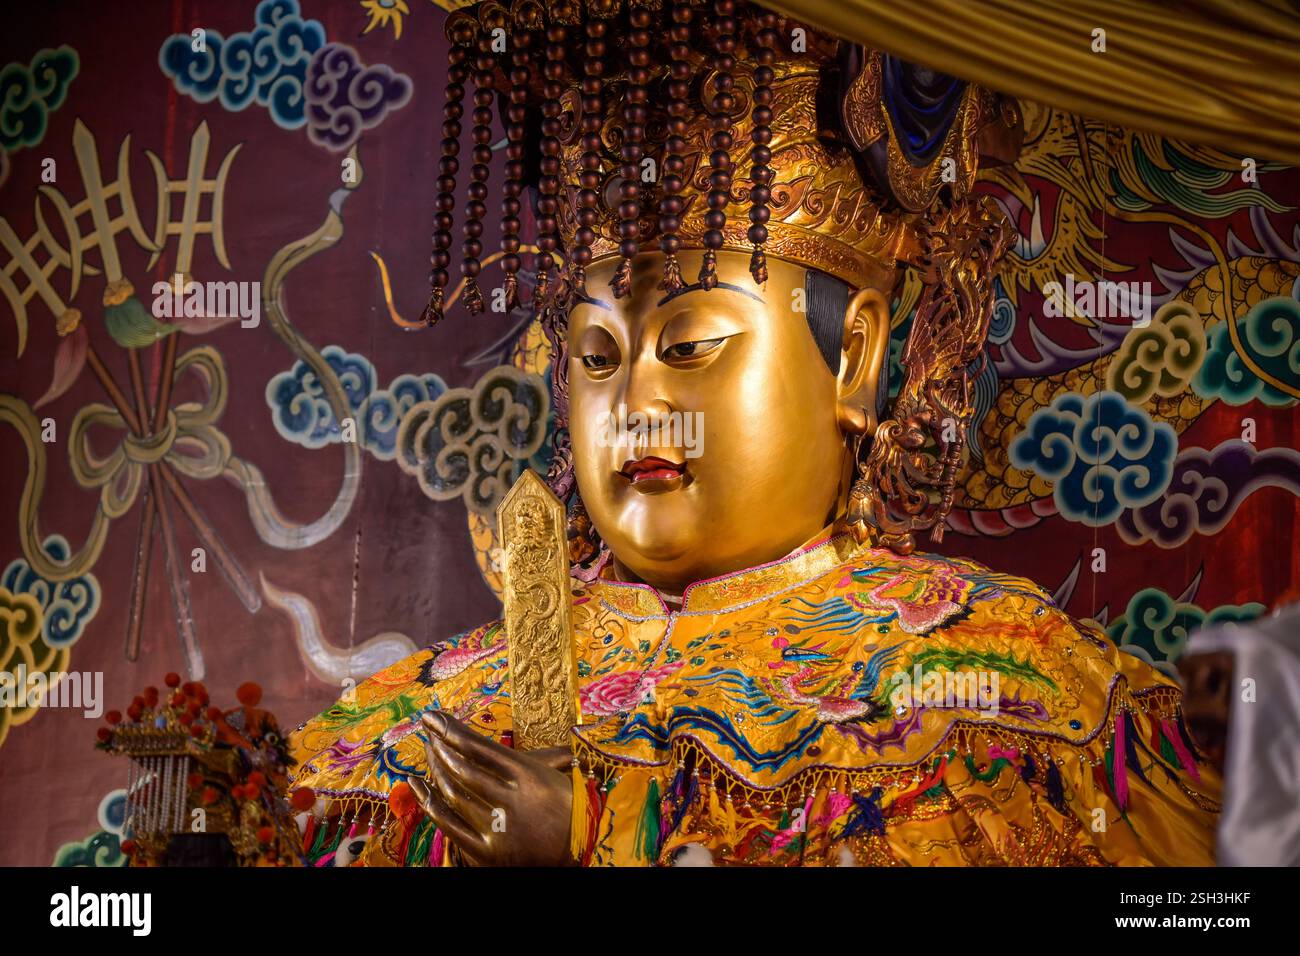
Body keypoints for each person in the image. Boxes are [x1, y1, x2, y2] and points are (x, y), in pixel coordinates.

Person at [286, 0, 1219, 866]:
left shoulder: (999, 693)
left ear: (853, 358)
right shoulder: (419, 725)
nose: (640, 405)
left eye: (692, 344)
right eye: (598, 358)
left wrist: (599, 848)